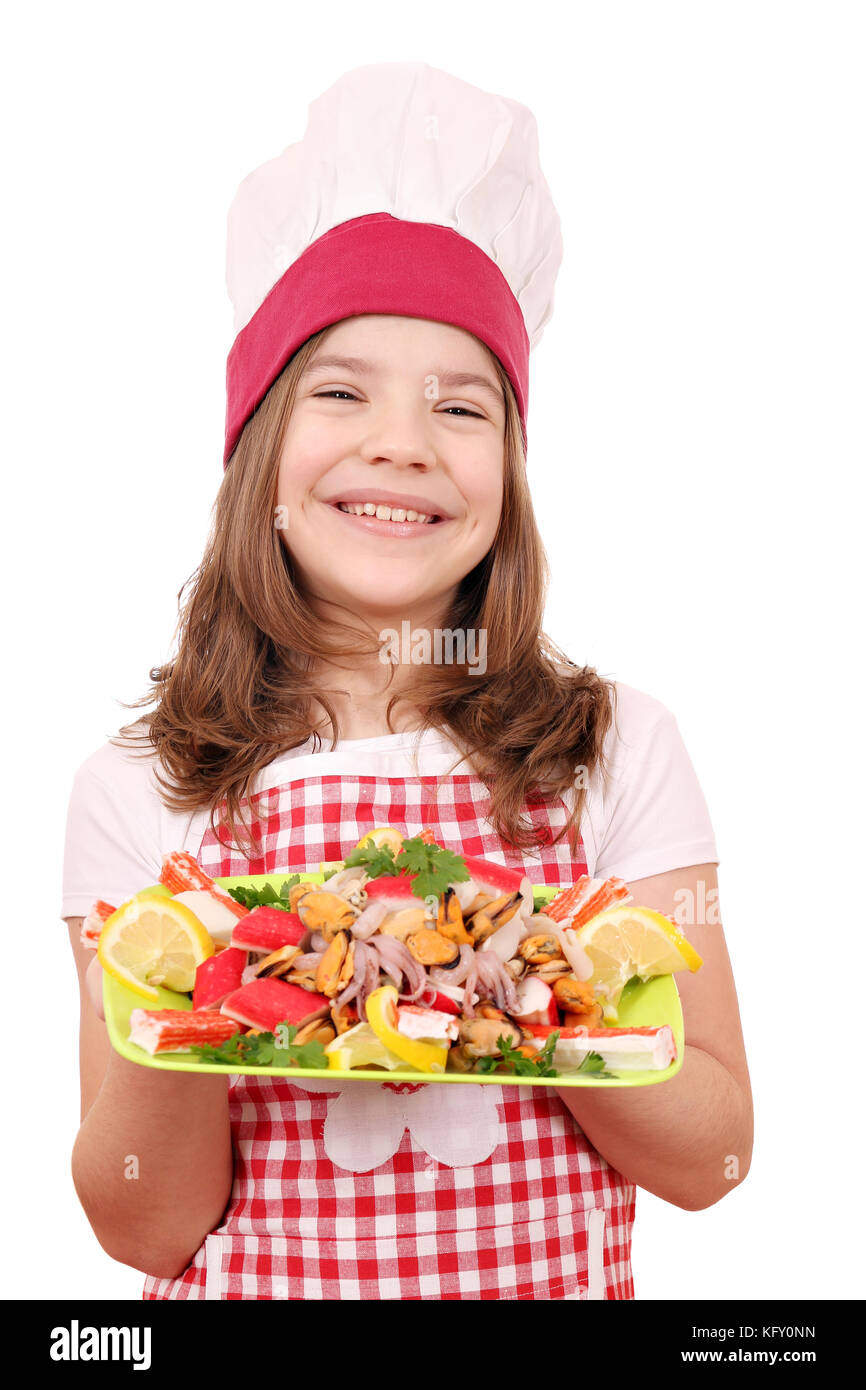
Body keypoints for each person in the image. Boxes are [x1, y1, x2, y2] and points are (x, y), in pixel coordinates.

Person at [62, 61, 753, 1301]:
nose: (402, 441)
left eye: (461, 405)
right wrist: (195, 995)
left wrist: (528, 979)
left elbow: (715, 1156)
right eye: (339, 390)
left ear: (508, 479)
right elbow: (141, 1228)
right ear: (259, 464)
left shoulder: (614, 747)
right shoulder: (144, 787)